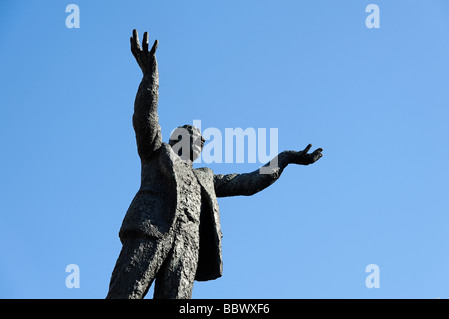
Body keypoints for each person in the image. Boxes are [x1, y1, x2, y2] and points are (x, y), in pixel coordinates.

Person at [106, 30, 324, 299]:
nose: (201, 143)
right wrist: (151, 76)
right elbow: (145, 117)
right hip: (150, 230)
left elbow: (249, 181)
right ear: (178, 138)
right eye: (195, 137)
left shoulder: (206, 177)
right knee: (126, 293)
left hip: (186, 248)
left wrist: (286, 158)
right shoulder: (155, 151)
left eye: (202, 142)